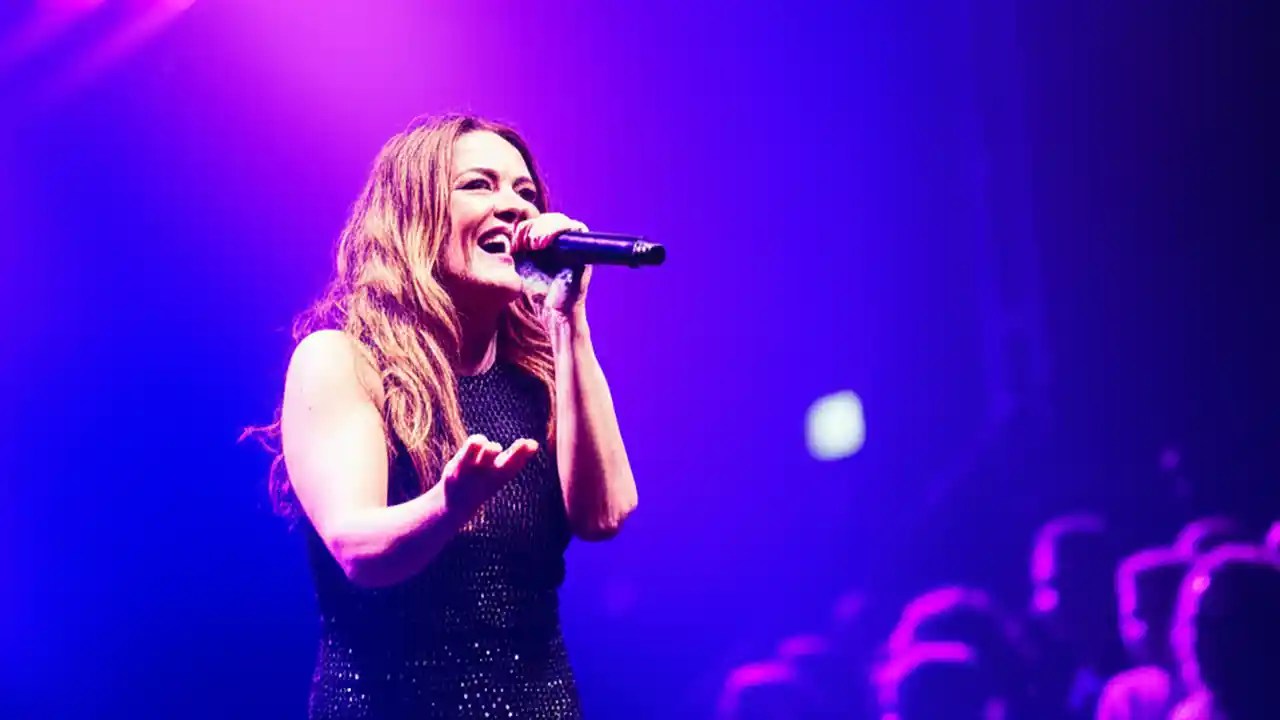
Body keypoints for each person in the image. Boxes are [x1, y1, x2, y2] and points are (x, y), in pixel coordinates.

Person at [245, 113, 639, 719]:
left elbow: (605, 514)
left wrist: (568, 319)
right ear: (414, 217)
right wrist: (450, 505)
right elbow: (357, 548)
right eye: (480, 185)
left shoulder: (543, 375)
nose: (513, 207)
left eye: (525, 193)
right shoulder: (344, 361)